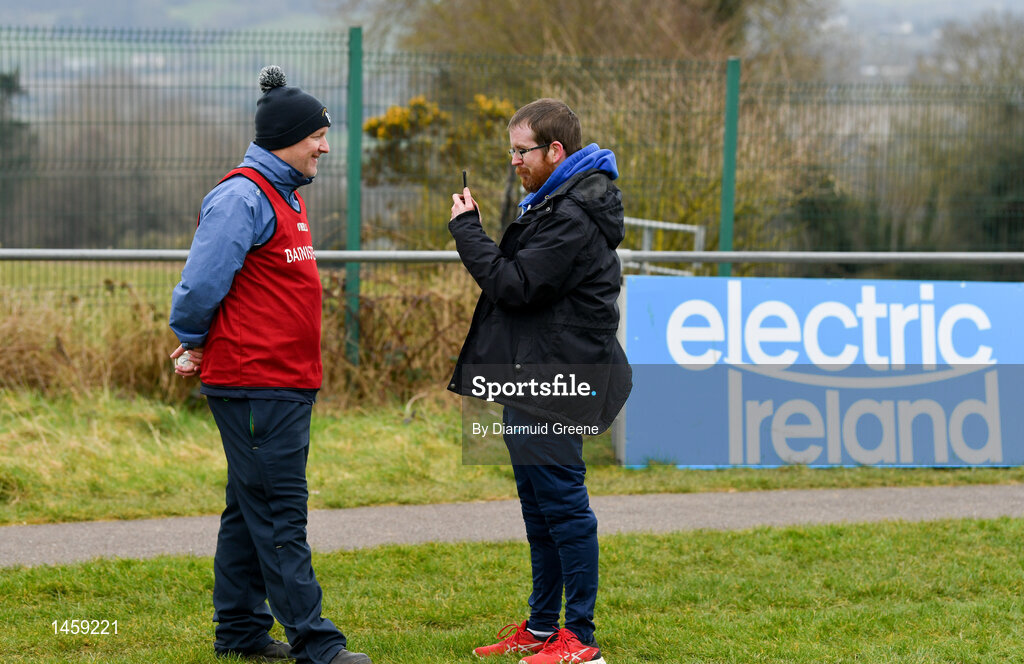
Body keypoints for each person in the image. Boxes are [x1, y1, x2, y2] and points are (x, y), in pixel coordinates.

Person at [169, 65, 371, 664]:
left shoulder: (283, 196)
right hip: (256, 383)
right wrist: (192, 337)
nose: (325, 147)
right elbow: (201, 283)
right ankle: (317, 645)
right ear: (289, 135)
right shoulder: (242, 196)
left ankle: (238, 632)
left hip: (281, 382)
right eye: (318, 136)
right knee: (281, 513)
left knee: (247, 507)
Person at [448, 98, 631, 664]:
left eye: (522, 150)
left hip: (558, 380)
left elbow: (514, 285)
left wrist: (466, 231)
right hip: (531, 376)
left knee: (563, 506)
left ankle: (582, 639)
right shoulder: (554, 202)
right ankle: (541, 626)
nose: (513, 161)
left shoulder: (573, 215)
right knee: (539, 506)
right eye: (511, 150)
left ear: (556, 150)